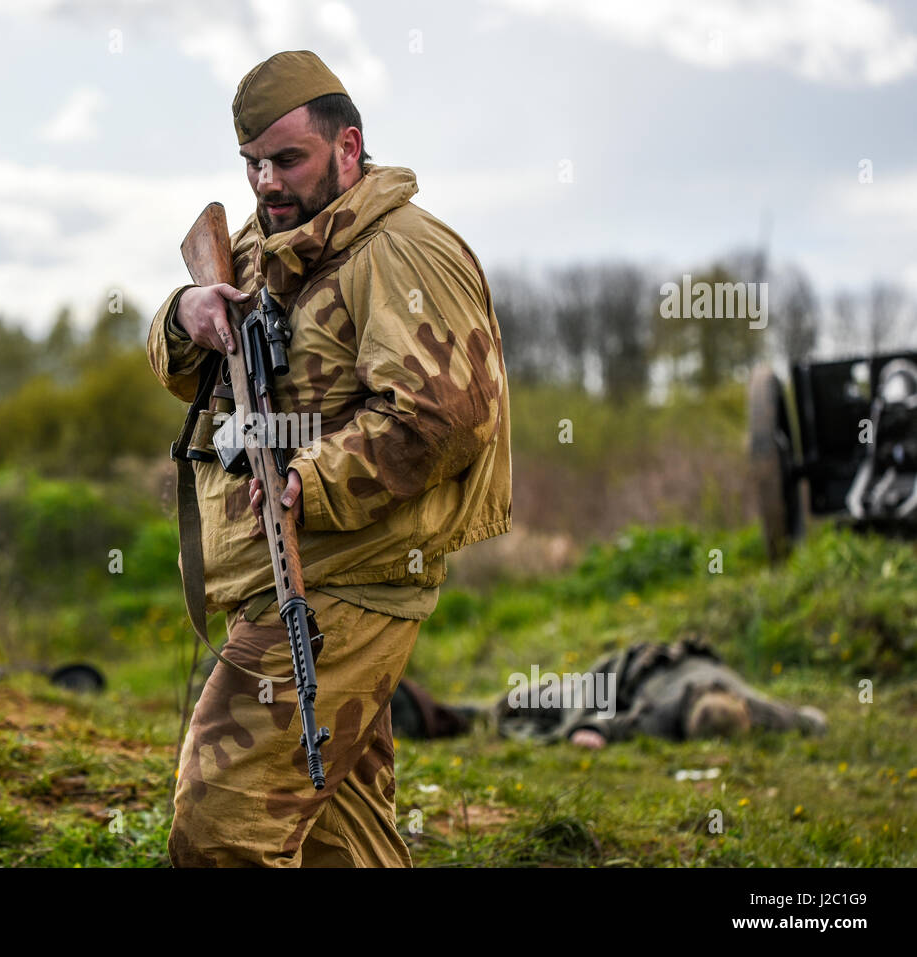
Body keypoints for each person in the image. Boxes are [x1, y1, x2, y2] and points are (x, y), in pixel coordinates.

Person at [149, 50, 511, 867]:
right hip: (284, 575)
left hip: (347, 580)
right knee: (339, 847)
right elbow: (185, 377)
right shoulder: (263, 242)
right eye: (252, 165)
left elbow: (447, 417)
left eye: (287, 159)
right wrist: (184, 314)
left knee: (221, 829)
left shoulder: (402, 252)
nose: (267, 183)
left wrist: (308, 481)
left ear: (349, 148)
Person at [493, 635, 827, 748]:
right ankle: (474, 713)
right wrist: (592, 729)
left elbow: (805, 718)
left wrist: (813, 723)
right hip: (623, 677)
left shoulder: (755, 710)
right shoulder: (665, 712)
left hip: (681, 662)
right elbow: (625, 724)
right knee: (516, 701)